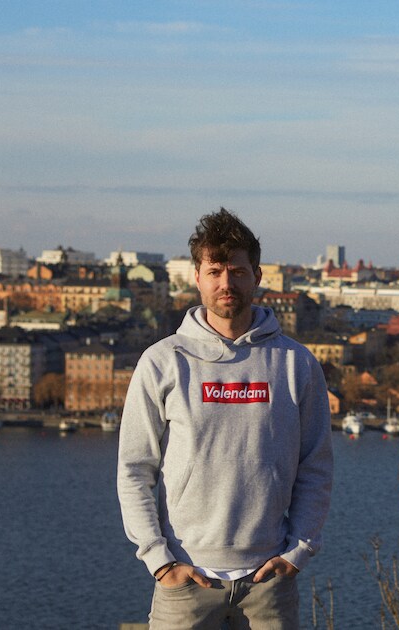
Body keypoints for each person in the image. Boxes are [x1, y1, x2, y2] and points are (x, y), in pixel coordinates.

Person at [117, 208, 333, 629]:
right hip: (186, 579)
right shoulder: (163, 363)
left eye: (237, 270)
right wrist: (160, 561)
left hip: (269, 582)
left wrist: (298, 552)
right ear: (196, 276)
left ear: (257, 275)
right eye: (214, 270)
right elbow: (134, 470)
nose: (226, 283)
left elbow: (316, 467)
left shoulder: (297, 364)